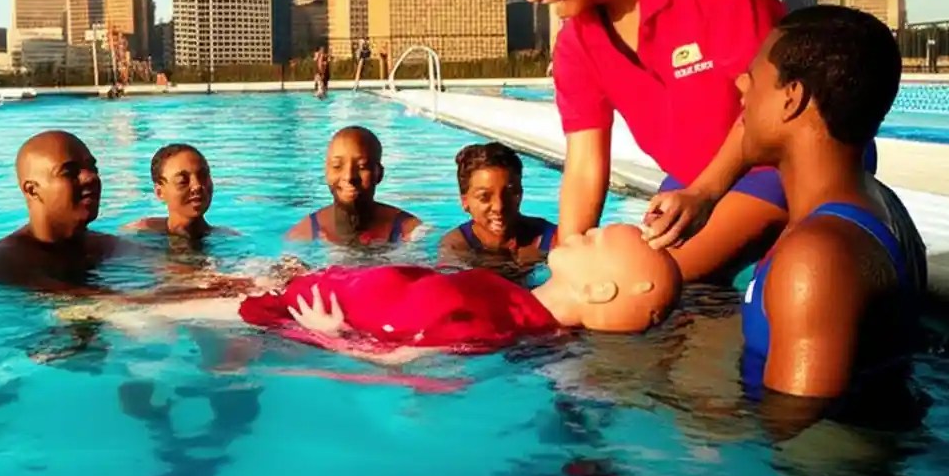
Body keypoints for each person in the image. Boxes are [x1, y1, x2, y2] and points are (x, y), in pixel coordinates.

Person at [506, 0, 797, 284]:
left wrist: (706, 193)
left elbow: (767, 100)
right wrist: (568, 267)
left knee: (643, 283)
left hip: (774, 163)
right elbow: (586, 163)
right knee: (599, 289)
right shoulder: (577, 44)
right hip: (691, 181)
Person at [58, 224, 681, 367]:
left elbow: (402, 360)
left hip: (303, 313)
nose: (589, 229)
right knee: (189, 293)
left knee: (155, 309)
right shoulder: (517, 303)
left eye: (601, 238)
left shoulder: (506, 328)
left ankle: (94, 317)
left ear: (600, 289)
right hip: (316, 289)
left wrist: (330, 337)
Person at [735, 5, 926, 401]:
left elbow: (799, 440)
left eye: (754, 78)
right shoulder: (878, 205)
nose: (740, 86)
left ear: (793, 98)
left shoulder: (816, 257)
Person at [0, 130, 138, 293]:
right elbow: (82, 304)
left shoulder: (102, 246)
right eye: (69, 172)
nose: (91, 177)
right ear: (33, 190)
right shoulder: (7, 263)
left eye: (92, 167)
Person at [438, 142, 556, 285]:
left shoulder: (549, 237)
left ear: (521, 192)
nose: (499, 206)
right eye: (484, 197)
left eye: (510, 193)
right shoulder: (457, 246)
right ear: (465, 201)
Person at [285, 126, 421, 245]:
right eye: (337, 166)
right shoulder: (304, 234)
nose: (349, 176)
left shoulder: (410, 231)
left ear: (379, 173)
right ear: (326, 173)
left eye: (362, 167)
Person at [124, 143, 238, 246]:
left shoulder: (228, 240)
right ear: (159, 192)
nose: (197, 185)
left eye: (203, 176)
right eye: (183, 181)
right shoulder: (140, 232)